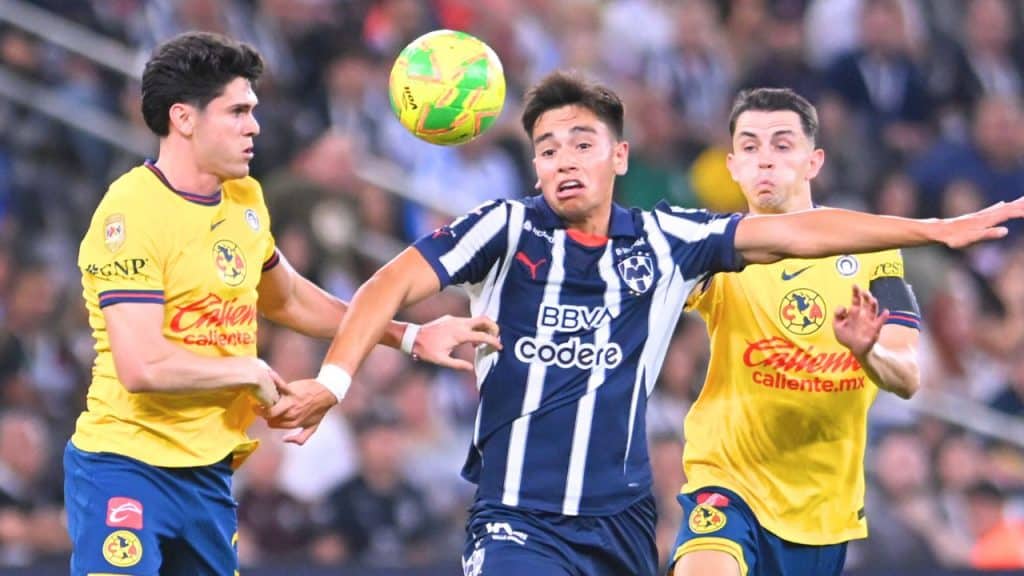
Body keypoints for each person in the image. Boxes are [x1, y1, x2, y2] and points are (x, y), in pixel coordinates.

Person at [267, 71, 1024, 576]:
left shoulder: (669, 241)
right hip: (522, 515)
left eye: (583, 144)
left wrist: (934, 231)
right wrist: (336, 379)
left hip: (628, 523)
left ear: (620, 156)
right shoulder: (502, 226)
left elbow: (800, 237)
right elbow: (386, 285)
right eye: (547, 148)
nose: (564, 160)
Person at [63, 31, 500, 576]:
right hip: (126, 465)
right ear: (184, 118)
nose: (255, 127)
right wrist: (246, 370)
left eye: (254, 111)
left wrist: (405, 335)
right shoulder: (130, 214)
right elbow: (142, 365)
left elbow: (288, 297)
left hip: (208, 473)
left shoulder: (244, 200)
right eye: (238, 111)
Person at [669, 87, 930, 576]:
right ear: (732, 166)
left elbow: (908, 376)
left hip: (824, 511)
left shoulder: (874, 253)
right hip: (728, 485)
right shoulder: (712, 250)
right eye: (750, 147)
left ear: (814, 161)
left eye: (782, 145)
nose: (764, 159)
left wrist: (868, 351)